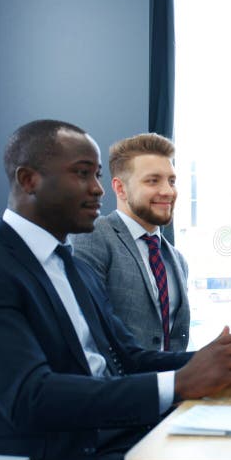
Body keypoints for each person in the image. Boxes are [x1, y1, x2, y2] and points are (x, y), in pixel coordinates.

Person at [0, 120, 231, 460]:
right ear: (29, 180)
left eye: (96, 175)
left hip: (117, 434)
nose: (98, 190)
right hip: (61, 455)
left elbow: (129, 358)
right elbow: (29, 396)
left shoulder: (71, 267)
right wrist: (180, 382)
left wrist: (221, 360)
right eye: (82, 174)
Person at [72, 133, 190, 351]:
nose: (168, 191)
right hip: (117, 382)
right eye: (153, 180)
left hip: (169, 382)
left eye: (171, 181)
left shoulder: (178, 260)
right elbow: (89, 331)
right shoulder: (95, 236)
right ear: (120, 188)